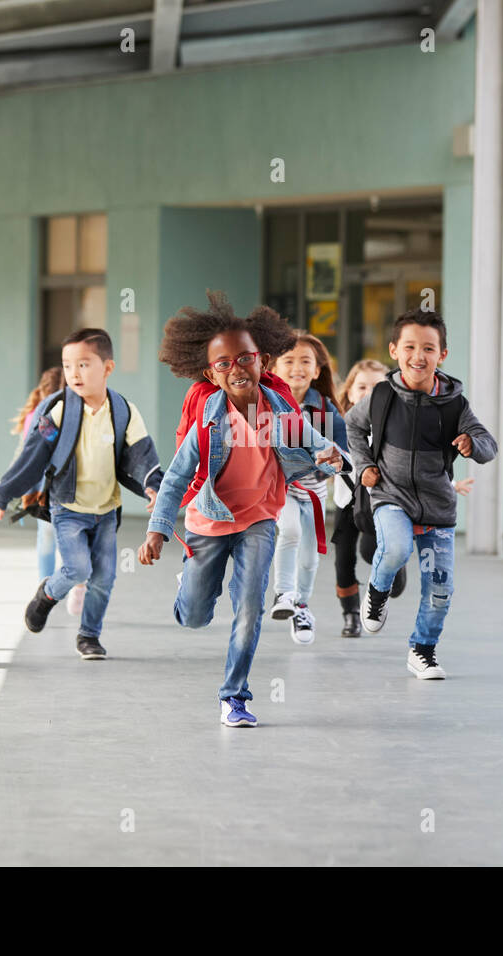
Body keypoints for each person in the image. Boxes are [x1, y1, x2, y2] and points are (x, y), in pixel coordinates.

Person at [138, 292, 343, 728]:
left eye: (245, 358)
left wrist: (331, 455)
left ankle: (234, 697)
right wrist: (157, 531)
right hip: (209, 521)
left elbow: (315, 441)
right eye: (223, 363)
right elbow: (175, 479)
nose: (236, 369)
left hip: (258, 521)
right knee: (194, 616)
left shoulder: (280, 414)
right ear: (211, 373)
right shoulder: (209, 422)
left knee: (250, 608)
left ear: (263, 361)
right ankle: (193, 587)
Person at [0, 328, 162, 661]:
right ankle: (47, 595)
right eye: (67, 366)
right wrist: (2, 493)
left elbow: (142, 454)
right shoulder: (57, 409)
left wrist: (154, 486)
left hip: (106, 509)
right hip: (68, 507)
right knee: (78, 569)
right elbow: (32, 454)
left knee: (104, 577)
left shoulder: (123, 410)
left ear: (107, 368)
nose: (73, 373)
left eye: (83, 364)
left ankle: (89, 636)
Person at [345, 309, 497, 678]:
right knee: (395, 548)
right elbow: (352, 424)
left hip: (437, 506)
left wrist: (470, 444)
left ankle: (422, 650)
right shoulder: (382, 396)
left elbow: (489, 446)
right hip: (390, 495)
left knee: (440, 589)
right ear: (394, 351)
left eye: (428, 348)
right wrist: (365, 466)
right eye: (410, 347)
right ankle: (378, 591)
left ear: (442, 355)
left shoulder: (455, 403)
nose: (418, 356)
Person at [267, 333, 348, 644]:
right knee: (289, 531)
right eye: (289, 361)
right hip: (281, 488)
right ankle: (283, 594)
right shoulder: (265, 403)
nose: (297, 367)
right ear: (274, 367)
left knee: (311, 558)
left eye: (305, 361)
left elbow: (343, 452)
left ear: (317, 370)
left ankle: (301, 606)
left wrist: (337, 464)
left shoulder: (326, 410)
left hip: (314, 492)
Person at [10, 366, 65, 585]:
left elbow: (23, 453)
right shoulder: (43, 417)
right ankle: (59, 582)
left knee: (48, 536)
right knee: (56, 534)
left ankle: (48, 582)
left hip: (45, 486)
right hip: (51, 485)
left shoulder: (36, 415)